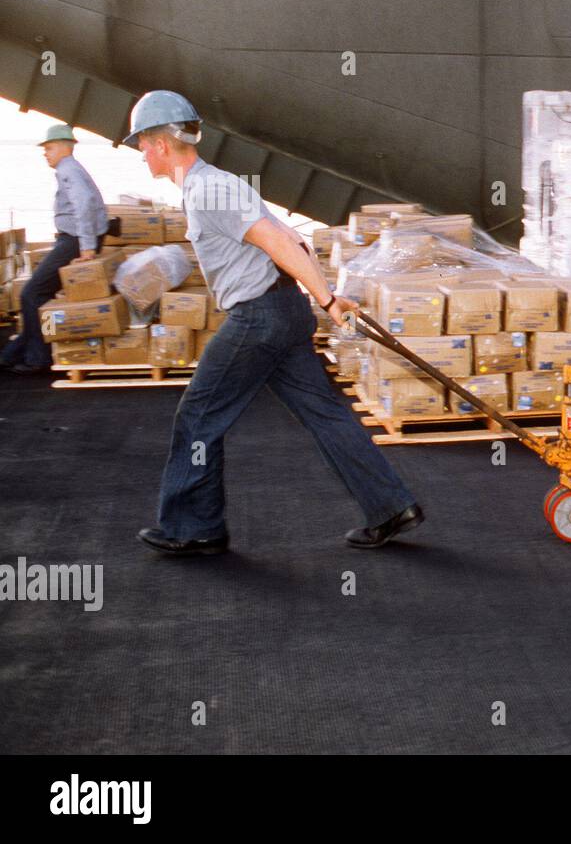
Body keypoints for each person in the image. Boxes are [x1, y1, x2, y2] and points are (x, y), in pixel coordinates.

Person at [125, 91, 424, 555]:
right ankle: (390, 507)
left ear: (161, 144)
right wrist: (323, 298)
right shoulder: (216, 184)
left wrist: (327, 299)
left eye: (142, 144)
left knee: (199, 415)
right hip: (283, 314)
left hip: (258, 319)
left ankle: (194, 528)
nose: (141, 153)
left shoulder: (209, 189)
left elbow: (276, 242)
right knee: (324, 412)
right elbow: (294, 242)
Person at [0, 124, 109, 374]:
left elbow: (84, 205)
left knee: (31, 294)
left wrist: (88, 248)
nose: (45, 153)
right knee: (37, 294)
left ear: (63, 146)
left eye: (49, 148)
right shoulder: (70, 169)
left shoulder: (68, 169)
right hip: (73, 238)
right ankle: (12, 353)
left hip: (74, 241)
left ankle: (38, 359)